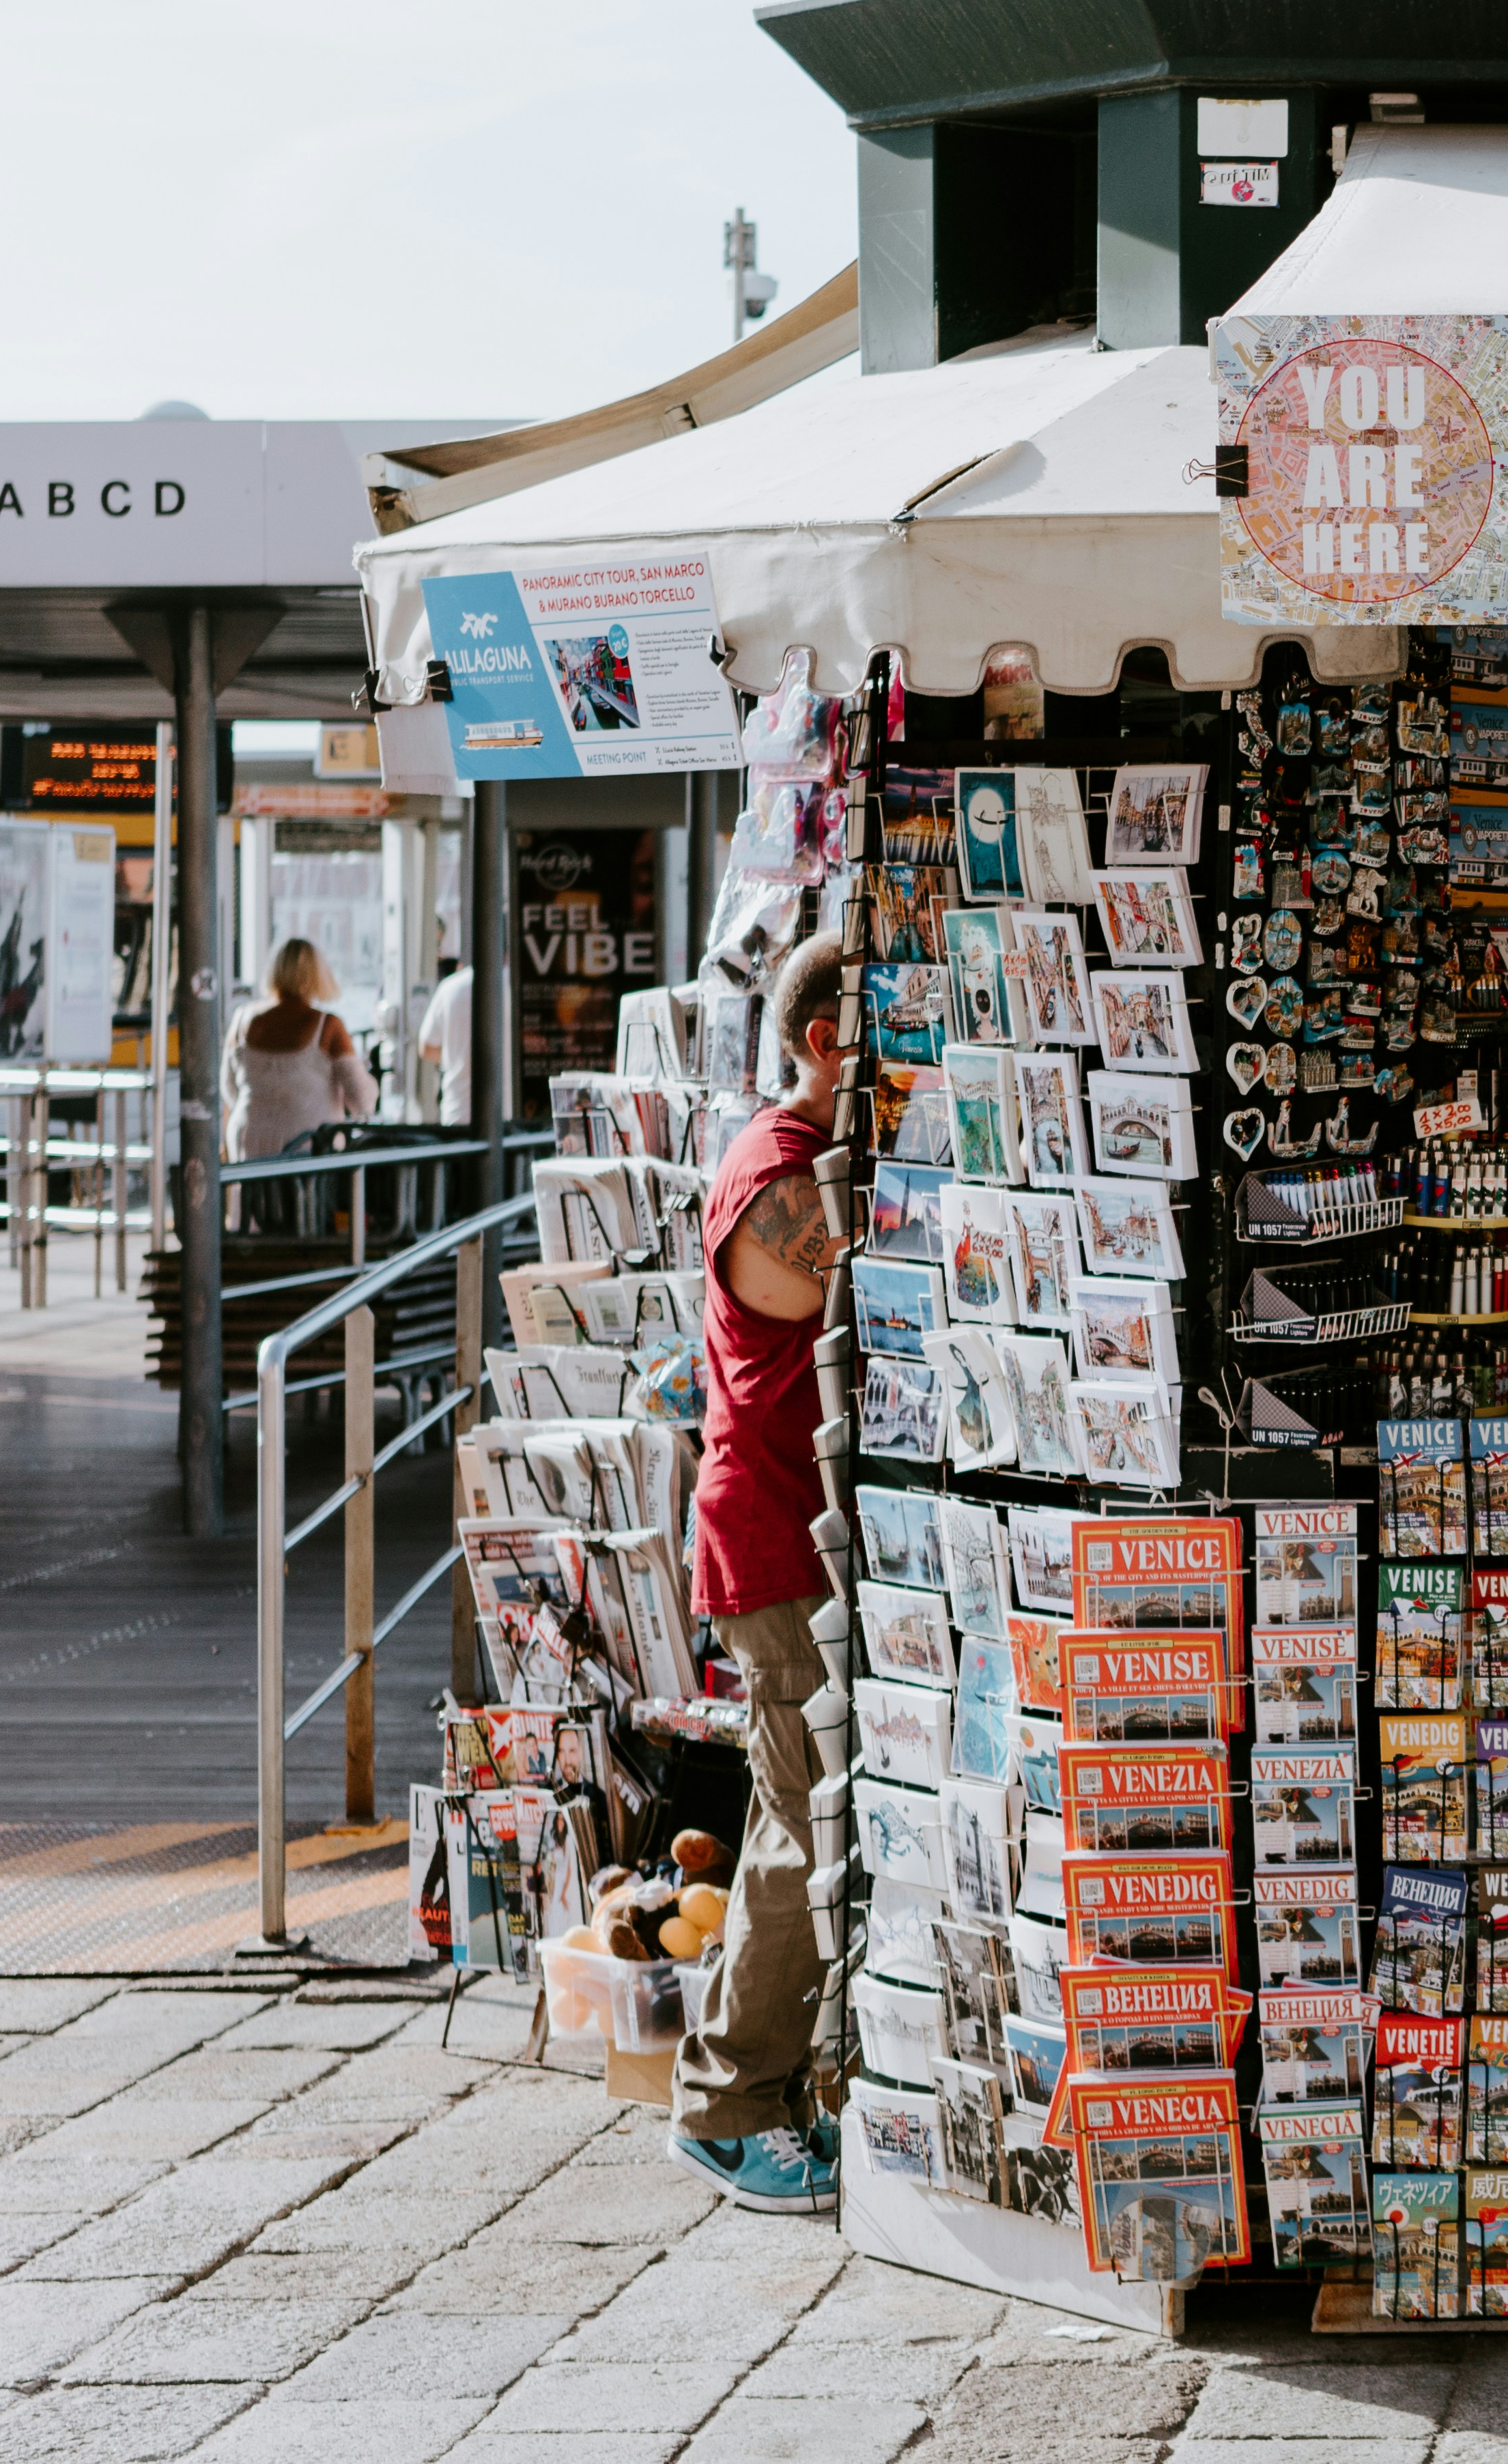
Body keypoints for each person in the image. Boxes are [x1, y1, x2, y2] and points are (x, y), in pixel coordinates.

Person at [672, 933, 851, 2214]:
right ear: (826, 1041)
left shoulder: (814, 1157)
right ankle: (725, 2105)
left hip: (799, 1535)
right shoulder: (776, 1170)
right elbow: (840, 1283)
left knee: (794, 1808)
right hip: (774, 1542)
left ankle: (775, 2090)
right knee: (800, 1822)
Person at [229, 939, 380, 1161]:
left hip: (249, 1139)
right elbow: (362, 1100)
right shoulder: (328, 1026)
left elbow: (229, 1088)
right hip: (309, 1145)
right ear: (319, 976)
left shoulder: (243, 1021)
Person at [414, 956, 474, 1124]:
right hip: (515, 1115)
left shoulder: (451, 987)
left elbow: (426, 1048)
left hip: (458, 1111)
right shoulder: (518, 985)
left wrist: (457, 1057)